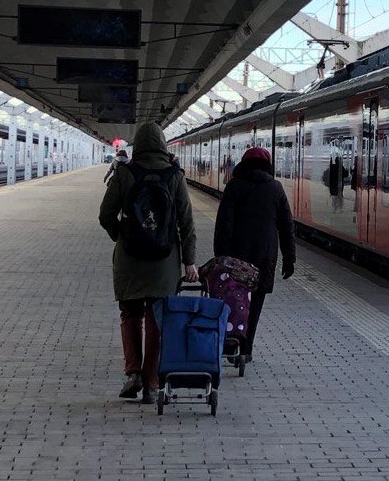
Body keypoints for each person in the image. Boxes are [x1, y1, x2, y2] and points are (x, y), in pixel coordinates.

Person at [99, 122, 198, 404]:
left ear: (137, 145)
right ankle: (153, 383)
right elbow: (187, 223)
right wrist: (189, 261)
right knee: (157, 321)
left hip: (130, 259)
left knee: (130, 315)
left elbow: (105, 215)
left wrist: (122, 236)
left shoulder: (124, 173)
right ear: (163, 145)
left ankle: (133, 374)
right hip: (164, 262)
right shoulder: (174, 176)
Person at [213, 147, 295, 362]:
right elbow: (287, 227)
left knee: (232, 299)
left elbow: (224, 224)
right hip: (264, 256)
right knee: (255, 304)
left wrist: (220, 255)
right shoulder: (275, 188)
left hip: (236, 255)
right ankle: (246, 349)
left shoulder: (234, 186)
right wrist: (289, 258)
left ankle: (231, 344)